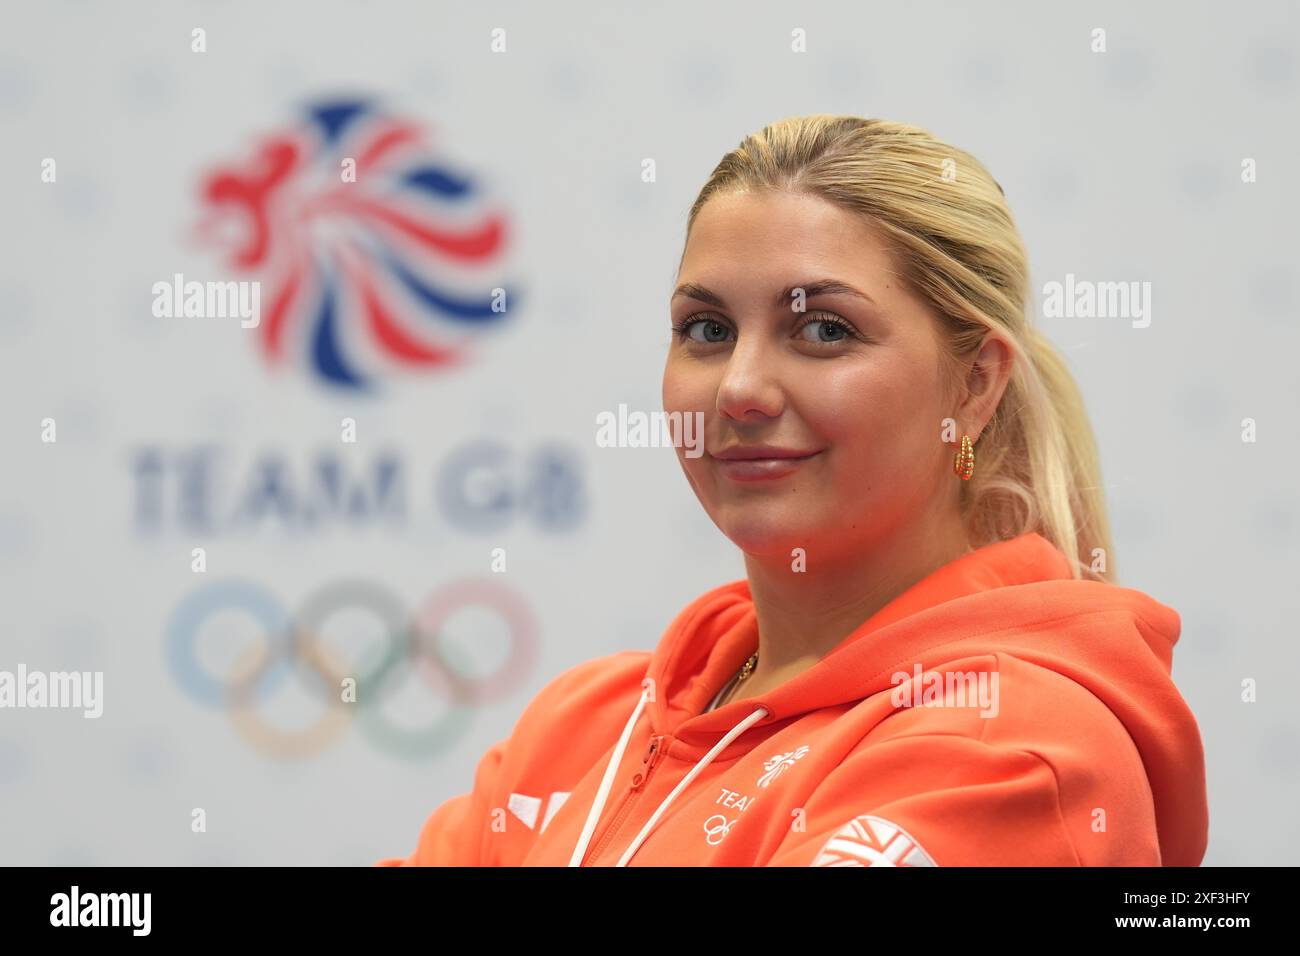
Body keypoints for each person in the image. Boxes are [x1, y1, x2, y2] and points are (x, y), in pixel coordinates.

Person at [377, 115, 1208, 867]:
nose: (740, 387)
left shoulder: (1012, 745)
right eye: (706, 329)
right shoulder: (584, 725)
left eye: (822, 330)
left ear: (974, 387)